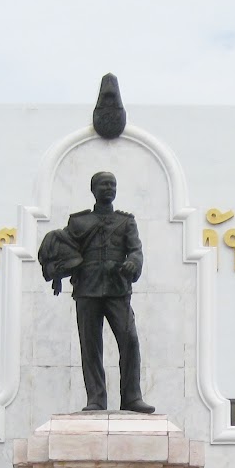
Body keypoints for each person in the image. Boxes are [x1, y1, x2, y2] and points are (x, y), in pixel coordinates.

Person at [37, 171, 155, 413]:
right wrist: (58, 270)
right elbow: (63, 246)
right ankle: (96, 398)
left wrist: (133, 263)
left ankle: (131, 397)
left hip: (117, 288)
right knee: (90, 346)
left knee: (130, 341)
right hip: (87, 289)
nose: (108, 188)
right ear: (93, 190)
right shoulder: (79, 222)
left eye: (112, 184)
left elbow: (136, 250)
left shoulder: (126, 222)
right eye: (103, 184)